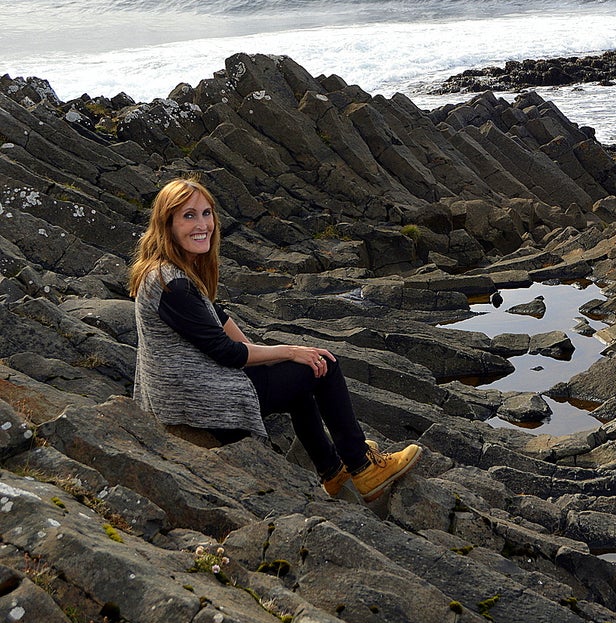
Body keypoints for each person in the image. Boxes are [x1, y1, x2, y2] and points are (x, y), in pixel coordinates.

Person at [129, 178, 420, 502]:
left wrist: (275, 360)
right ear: (167, 224)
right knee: (325, 365)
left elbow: (218, 317)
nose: (202, 225)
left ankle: (332, 470)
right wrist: (290, 351)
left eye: (206, 213)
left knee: (300, 372)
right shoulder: (171, 285)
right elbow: (226, 352)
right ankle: (363, 468)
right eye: (189, 216)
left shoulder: (170, 272)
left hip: (191, 390)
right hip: (201, 403)